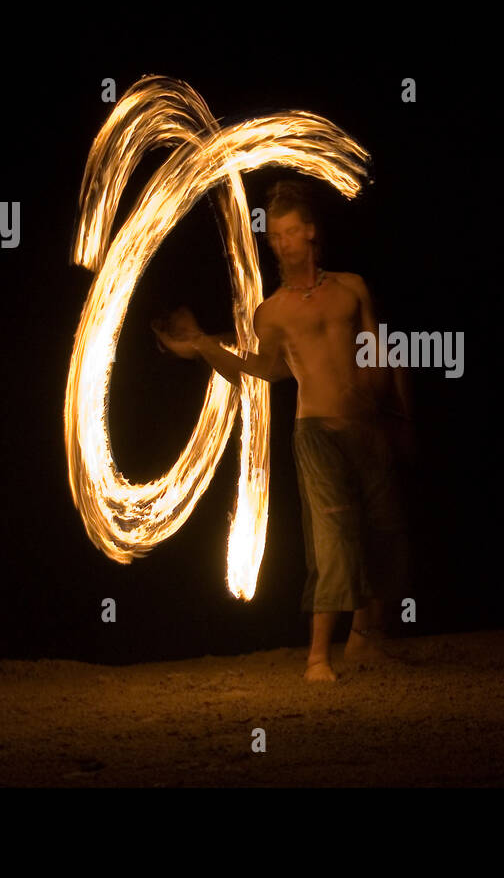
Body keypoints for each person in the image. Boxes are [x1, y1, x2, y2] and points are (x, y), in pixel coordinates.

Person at [151, 179, 414, 681]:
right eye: (275, 235)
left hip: (367, 426)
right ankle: (317, 656)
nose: (280, 242)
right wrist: (207, 347)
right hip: (315, 433)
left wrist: (399, 414)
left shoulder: (352, 287)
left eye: (290, 233)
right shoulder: (271, 311)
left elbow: (380, 353)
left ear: (310, 234)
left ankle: (364, 639)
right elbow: (266, 371)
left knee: (384, 534)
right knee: (333, 540)